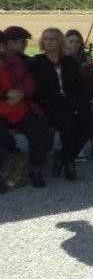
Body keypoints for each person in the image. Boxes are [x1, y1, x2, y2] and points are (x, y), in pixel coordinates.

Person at [28, 28, 93, 181]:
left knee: (91, 123)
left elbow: (80, 87)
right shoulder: (36, 62)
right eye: (45, 38)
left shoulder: (69, 61)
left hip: (72, 102)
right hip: (50, 105)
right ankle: (70, 163)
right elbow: (36, 92)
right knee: (68, 122)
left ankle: (64, 156)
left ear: (60, 41)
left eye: (52, 39)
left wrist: (76, 100)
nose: (48, 42)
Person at [0, 29, 50, 190]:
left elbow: (28, 81)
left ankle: (35, 168)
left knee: (39, 129)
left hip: (19, 107)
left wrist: (21, 91)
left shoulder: (15, 62)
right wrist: (6, 94)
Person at [66, 29, 93, 159]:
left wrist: (89, 68)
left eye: (78, 42)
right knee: (77, 115)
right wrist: (80, 69)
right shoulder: (62, 58)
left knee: (91, 113)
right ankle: (77, 146)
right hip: (68, 97)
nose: (74, 45)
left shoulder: (86, 58)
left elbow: (92, 80)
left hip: (84, 96)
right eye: (71, 42)